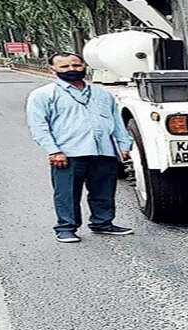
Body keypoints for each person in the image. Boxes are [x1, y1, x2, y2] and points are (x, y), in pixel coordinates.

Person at [26, 52, 135, 243]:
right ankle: (66, 227)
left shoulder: (102, 94)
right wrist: (54, 151)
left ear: (84, 66)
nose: (72, 70)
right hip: (68, 153)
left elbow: (116, 121)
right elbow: (39, 126)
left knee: (104, 190)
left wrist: (124, 145)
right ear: (52, 70)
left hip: (103, 150)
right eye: (64, 67)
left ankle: (103, 223)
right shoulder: (43, 95)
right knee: (67, 193)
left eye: (76, 66)